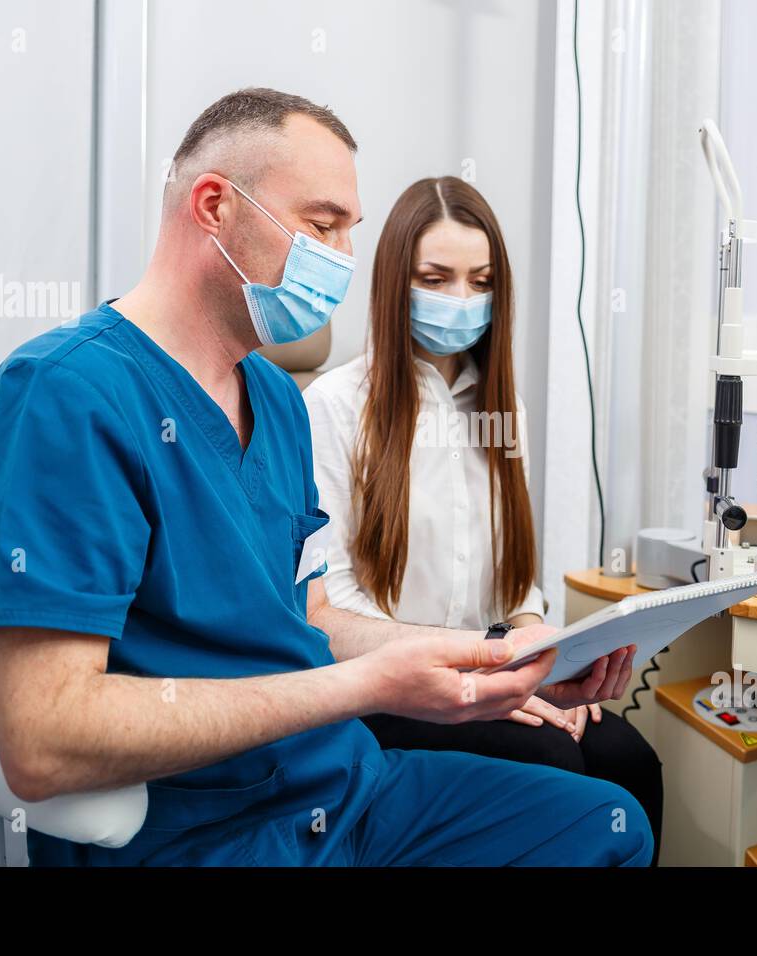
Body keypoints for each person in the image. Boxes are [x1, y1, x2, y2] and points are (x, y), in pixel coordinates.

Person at [0, 88, 652, 866]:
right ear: (215, 207)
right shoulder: (64, 397)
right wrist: (367, 688)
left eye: (350, 233)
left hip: (346, 788)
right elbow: (43, 743)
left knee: (609, 823)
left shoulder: (277, 404)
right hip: (208, 832)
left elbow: (313, 614)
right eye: (323, 227)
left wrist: (497, 664)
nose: (345, 261)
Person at [304, 177, 663, 863]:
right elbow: (329, 602)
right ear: (393, 283)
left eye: (481, 281)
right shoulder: (332, 406)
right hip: (387, 694)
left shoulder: (502, 411)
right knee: (554, 761)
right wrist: (479, 675)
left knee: (628, 757)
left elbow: (512, 592)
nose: (461, 302)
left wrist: (546, 651)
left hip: (486, 676)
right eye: (436, 279)